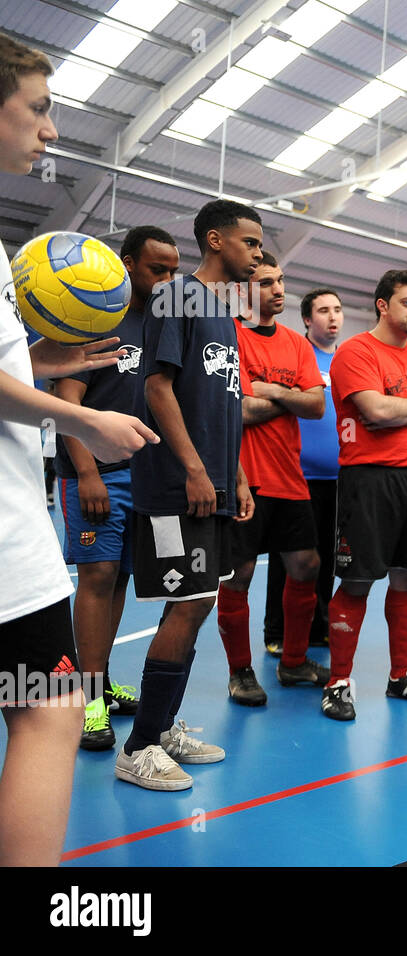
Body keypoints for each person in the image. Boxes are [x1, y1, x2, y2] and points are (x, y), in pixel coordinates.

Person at [0, 32, 157, 861]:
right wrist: (83, 420)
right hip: (4, 544)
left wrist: (36, 361)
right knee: (49, 707)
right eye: (39, 108)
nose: (52, 129)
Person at [120, 198, 262, 790]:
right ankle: (140, 745)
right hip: (180, 487)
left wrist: (238, 477)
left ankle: (164, 725)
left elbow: (220, 402)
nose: (257, 253)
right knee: (187, 604)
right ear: (214, 240)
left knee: (201, 601)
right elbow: (157, 388)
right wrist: (197, 471)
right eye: (249, 242)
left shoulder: (219, 308)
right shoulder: (176, 296)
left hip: (214, 486)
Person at [52, 225, 178, 750]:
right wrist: (85, 473)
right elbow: (66, 399)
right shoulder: (95, 320)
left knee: (122, 578)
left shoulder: (162, 327)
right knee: (97, 578)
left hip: (143, 475)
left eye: (174, 269)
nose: (168, 279)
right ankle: (89, 700)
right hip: (94, 474)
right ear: (128, 264)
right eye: (158, 269)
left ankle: (99, 684)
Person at [321, 269, 407, 720]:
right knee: (357, 581)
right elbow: (374, 409)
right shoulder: (355, 352)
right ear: (383, 304)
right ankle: (338, 681)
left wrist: (403, 410)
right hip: (367, 481)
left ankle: (402, 677)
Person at [216, 252, 329, 706]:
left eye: (281, 281)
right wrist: (293, 396)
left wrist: (272, 392)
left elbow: (317, 406)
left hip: (289, 475)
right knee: (239, 574)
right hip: (246, 478)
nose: (278, 290)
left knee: (307, 566)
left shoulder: (297, 345)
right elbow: (236, 410)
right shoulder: (229, 338)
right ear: (243, 290)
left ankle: (294, 661)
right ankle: (240, 671)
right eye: (266, 283)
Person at [263, 286, 343, 655]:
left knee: (325, 557)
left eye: (338, 310)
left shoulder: (346, 361)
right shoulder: (297, 353)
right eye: (324, 310)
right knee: (288, 558)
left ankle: (318, 625)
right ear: (308, 319)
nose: (333, 317)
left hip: (338, 479)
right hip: (296, 476)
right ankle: (276, 630)